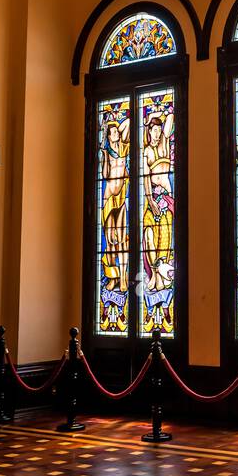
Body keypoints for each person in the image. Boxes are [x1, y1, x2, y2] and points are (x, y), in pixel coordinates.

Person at [142, 109, 175, 333]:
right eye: (152, 129)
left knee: (165, 239)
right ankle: (153, 275)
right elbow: (145, 178)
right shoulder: (146, 152)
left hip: (167, 200)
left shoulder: (164, 143)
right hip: (152, 199)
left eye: (157, 129)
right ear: (148, 132)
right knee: (148, 236)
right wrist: (149, 200)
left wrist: (161, 112)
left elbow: (170, 120)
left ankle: (160, 281)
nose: (155, 133)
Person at [99, 112, 130, 331]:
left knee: (121, 237)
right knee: (110, 239)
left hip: (123, 194)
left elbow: (128, 123)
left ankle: (123, 278)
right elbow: (105, 174)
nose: (116, 134)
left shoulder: (125, 147)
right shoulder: (107, 152)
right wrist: (103, 134)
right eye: (113, 132)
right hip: (109, 195)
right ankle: (112, 277)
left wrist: (112, 120)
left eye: (117, 131)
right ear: (108, 136)